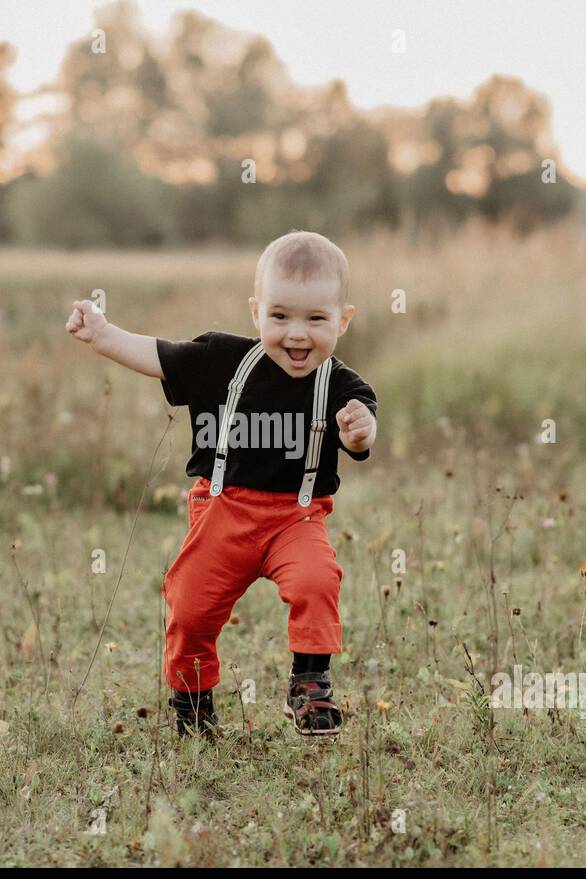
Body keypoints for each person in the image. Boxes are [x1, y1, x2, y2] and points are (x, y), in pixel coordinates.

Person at [65, 230, 377, 737]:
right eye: (280, 316)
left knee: (318, 579)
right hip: (222, 512)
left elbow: (362, 440)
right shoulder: (221, 360)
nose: (297, 334)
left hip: (296, 518)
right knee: (189, 605)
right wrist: (103, 334)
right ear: (256, 312)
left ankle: (310, 682)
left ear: (342, 320)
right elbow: (159, 356)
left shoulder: (342, 387)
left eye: (316, 319)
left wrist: (360, 431)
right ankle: (192, 702)